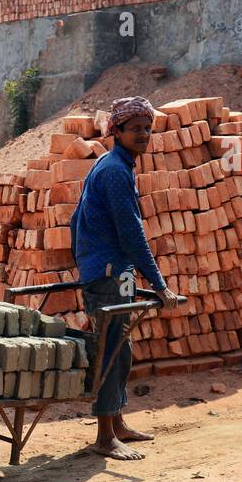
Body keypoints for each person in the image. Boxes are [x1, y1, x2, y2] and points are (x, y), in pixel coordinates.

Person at [71, 95, 179, 461]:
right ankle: (103, 436)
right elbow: (132, 234)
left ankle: (117, 424)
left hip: (113, 271)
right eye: (135, 129)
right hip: (108, 273)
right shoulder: (115, 170)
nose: (144, 134)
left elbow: (76, 220)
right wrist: (160, 285)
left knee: (123, 348)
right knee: (109, 350)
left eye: (148, 128)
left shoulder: (112, 164)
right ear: (116, 131)